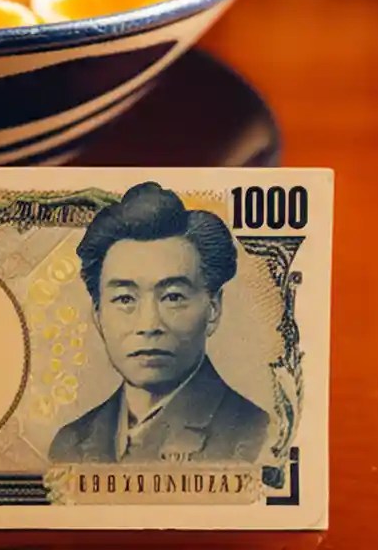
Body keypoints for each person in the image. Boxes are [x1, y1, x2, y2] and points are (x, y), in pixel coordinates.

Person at [49, 182, 268, 464]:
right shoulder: (69, 444)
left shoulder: (258, 436)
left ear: (213, 309)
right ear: (98, 315)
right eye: (125, 299)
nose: (149, 324)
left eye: (173, 297)